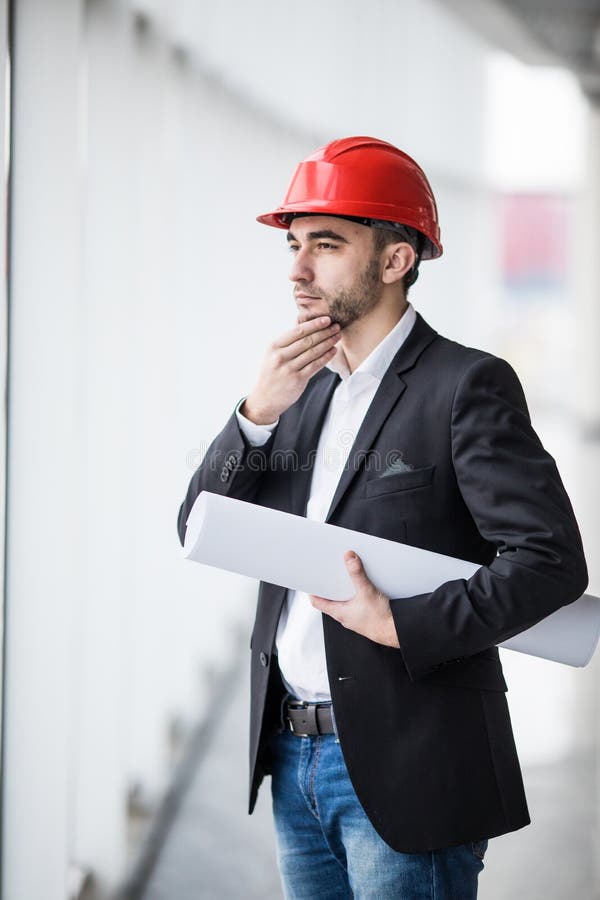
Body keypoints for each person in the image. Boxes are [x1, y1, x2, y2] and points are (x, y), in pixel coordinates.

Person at [177, 136, 588, 899]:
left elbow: (550, 564)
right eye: (295, 246)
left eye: (325, 246)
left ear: (396, 260)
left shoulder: (466, 386)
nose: (297, 270)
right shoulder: (295, 390)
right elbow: (196, 525)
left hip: (411, 761)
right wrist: (255, 413)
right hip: (291, 755)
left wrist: (404, 623)